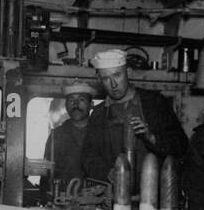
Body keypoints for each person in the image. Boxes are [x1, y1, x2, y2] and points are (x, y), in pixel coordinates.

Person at [79, 48, 188, 196]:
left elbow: (181, 146)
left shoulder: (154, 103)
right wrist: (108, 173)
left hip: (155, 199)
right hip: (115, 197)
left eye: (117, 75)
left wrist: (152, 138)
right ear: (99, 80)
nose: (113, 84)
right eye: (106, 78)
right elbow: (89, 157)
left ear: (128, 73)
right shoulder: (99, 114)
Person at [43, 81, 96, 200]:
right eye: (71, 100)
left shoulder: (102, 133)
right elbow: (46, 174)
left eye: (81, 100)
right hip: (62, 201)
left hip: (94, 201)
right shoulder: (56, 136)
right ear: (66, 105)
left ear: (91, 104)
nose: (76, 104)